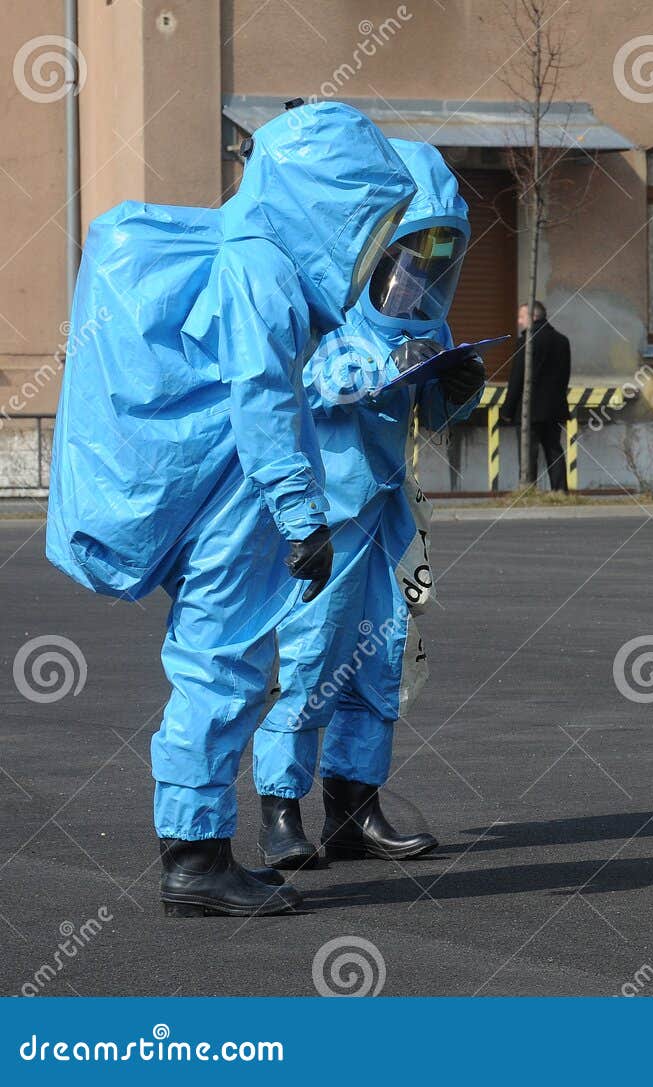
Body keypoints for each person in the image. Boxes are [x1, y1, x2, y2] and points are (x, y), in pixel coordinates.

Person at [47, 101, 415, 916]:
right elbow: (261, 397)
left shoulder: (254, 256)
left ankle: (200, 848)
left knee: (225, 666)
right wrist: (300, 512)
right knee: (222, 667)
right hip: (238, 506)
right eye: (362, 214)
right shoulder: (264, 269)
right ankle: (195, 859)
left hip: (228, 496)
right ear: (326, 199)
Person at [250, 139, 485, 870]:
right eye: (411, 257)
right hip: (329, 510)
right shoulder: (330, 303)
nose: (420, 279)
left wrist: (455, 383)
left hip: (383, 510)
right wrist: (389, 365)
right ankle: (280, 811)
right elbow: (316, 382)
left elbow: (432, 407)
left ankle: (354, 807)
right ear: (376, 244)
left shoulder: (420, 320)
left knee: (379, 657)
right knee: (313, 654)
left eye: (435, 261)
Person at [504, 300, 572, 491]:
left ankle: (529, 490)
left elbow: (516, 378)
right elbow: (564, 377)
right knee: (554, 451)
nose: (519, 321)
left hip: (529, 410)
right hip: (554, 408)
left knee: (528, 453)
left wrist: (508, 409)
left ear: (533, 317)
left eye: (521, 317)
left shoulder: (526, 341)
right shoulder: (562, 341)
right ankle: (560, 491)